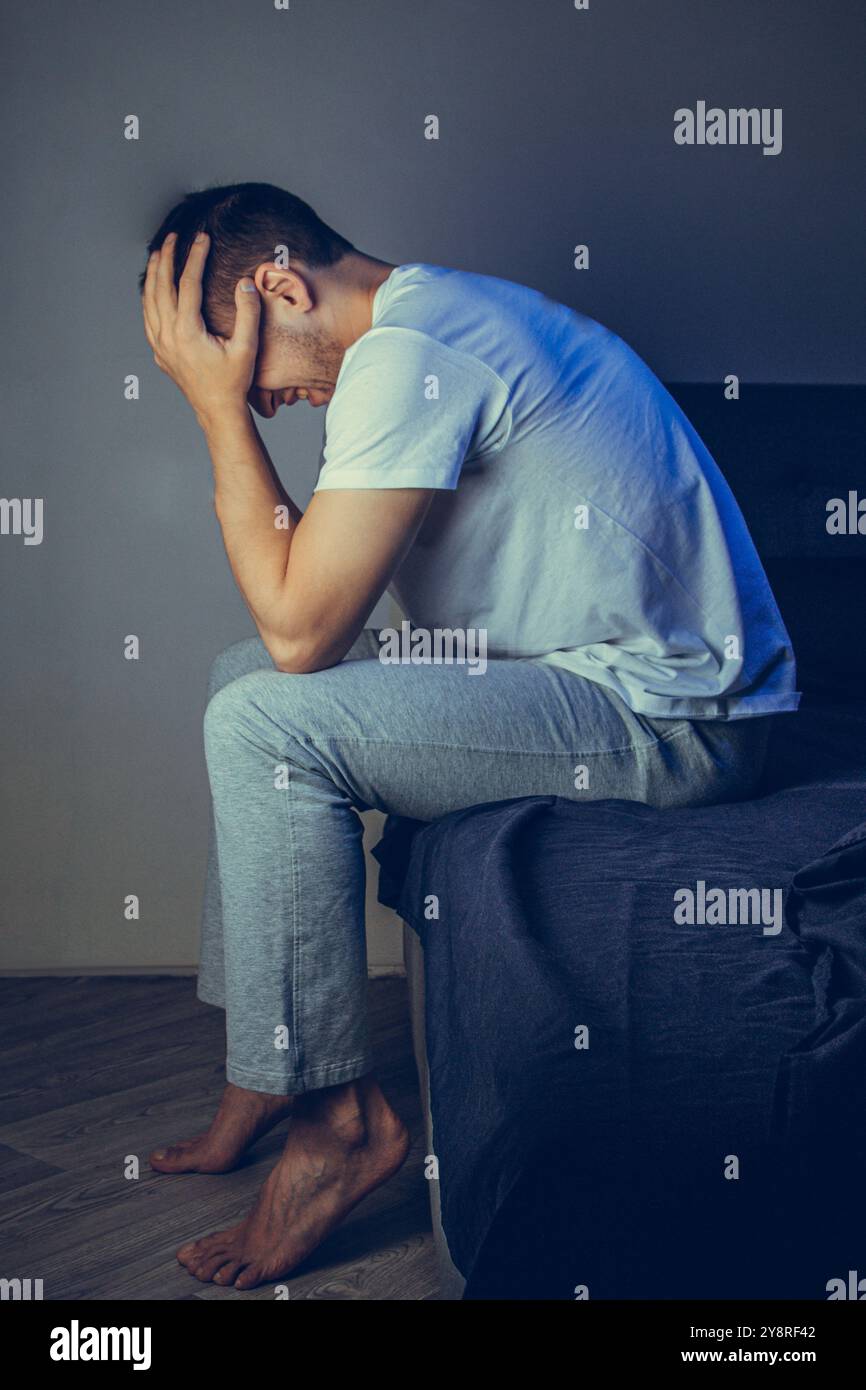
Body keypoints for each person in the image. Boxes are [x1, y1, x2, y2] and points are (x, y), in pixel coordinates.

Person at [139, 182, 799, 1290]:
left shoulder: (410, 352)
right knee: (235, 680)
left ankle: (335, 1120)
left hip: (673, 718)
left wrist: (209, 417)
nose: (260, 405)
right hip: (569, 668)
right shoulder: (424, 324)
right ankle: (270, 1061)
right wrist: (221, 392)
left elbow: (303, 627)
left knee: (264, 710)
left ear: (281, 288)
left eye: (245, 375)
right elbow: (290, 621)